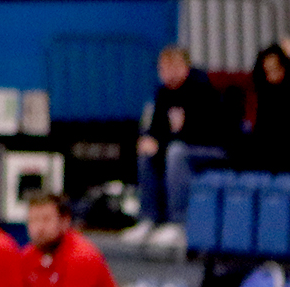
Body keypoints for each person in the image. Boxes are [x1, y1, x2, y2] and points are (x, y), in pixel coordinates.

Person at [127, 45, 229, 248]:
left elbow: (202, 133)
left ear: (185, 67)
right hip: (177, 147)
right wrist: (150, 141)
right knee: (146, 151)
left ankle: (178, 222)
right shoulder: (162, 93)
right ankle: (148, 219)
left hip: (212, 148)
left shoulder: (202, 90)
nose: (168, 73)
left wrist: (162, 144)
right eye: (163, 69)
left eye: (173, 67)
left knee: (176, 153)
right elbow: (156, 129)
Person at [19, 193, 113, 287]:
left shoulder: (82, 258)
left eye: (46, 220)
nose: (39, 228)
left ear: (65, 221)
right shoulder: (27, 256)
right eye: (33, 220)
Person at [249, 43, 290, 171]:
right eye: (267, 71)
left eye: (275, 69)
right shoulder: (264, 95)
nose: (271, 76)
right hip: (266, 155)